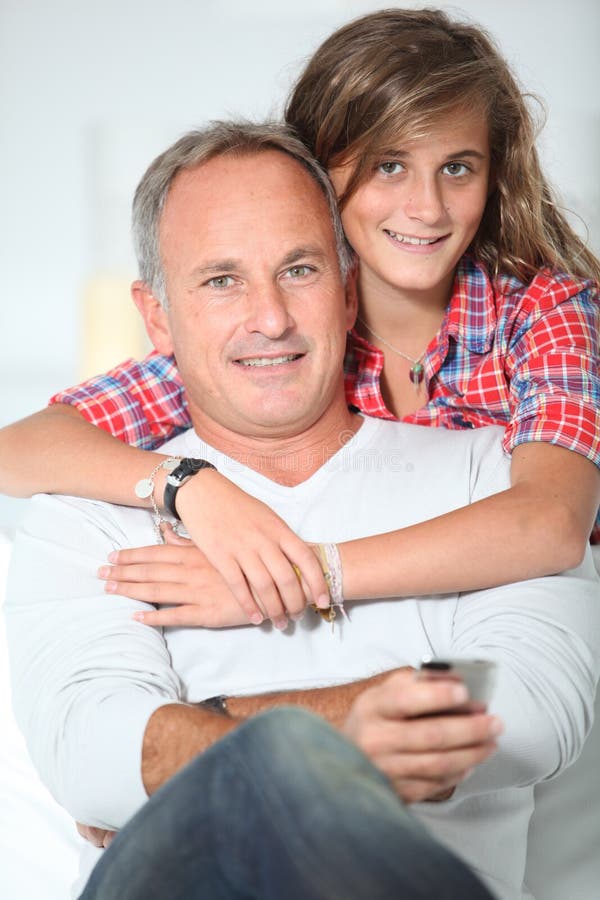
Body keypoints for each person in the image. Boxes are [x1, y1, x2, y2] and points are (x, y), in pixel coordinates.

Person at [6, 123, 600, 900]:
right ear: (156, 319)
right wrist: (355, 725)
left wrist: (218, 734)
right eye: (221, 280)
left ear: (349, 288)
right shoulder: (87, 509)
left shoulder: (495, 478)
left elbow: (531, 716)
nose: (271, 318)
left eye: (299, 269)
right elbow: (91, 753)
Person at [0, 8, 599, 628]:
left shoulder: (544, 311)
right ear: (319, 172)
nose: (426, 208)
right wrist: (187, 485)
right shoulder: (287, 336)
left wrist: (299, 579)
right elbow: (21, 448)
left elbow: (551, 524)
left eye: (457, 167)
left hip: (534, 629)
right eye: (389, 166)